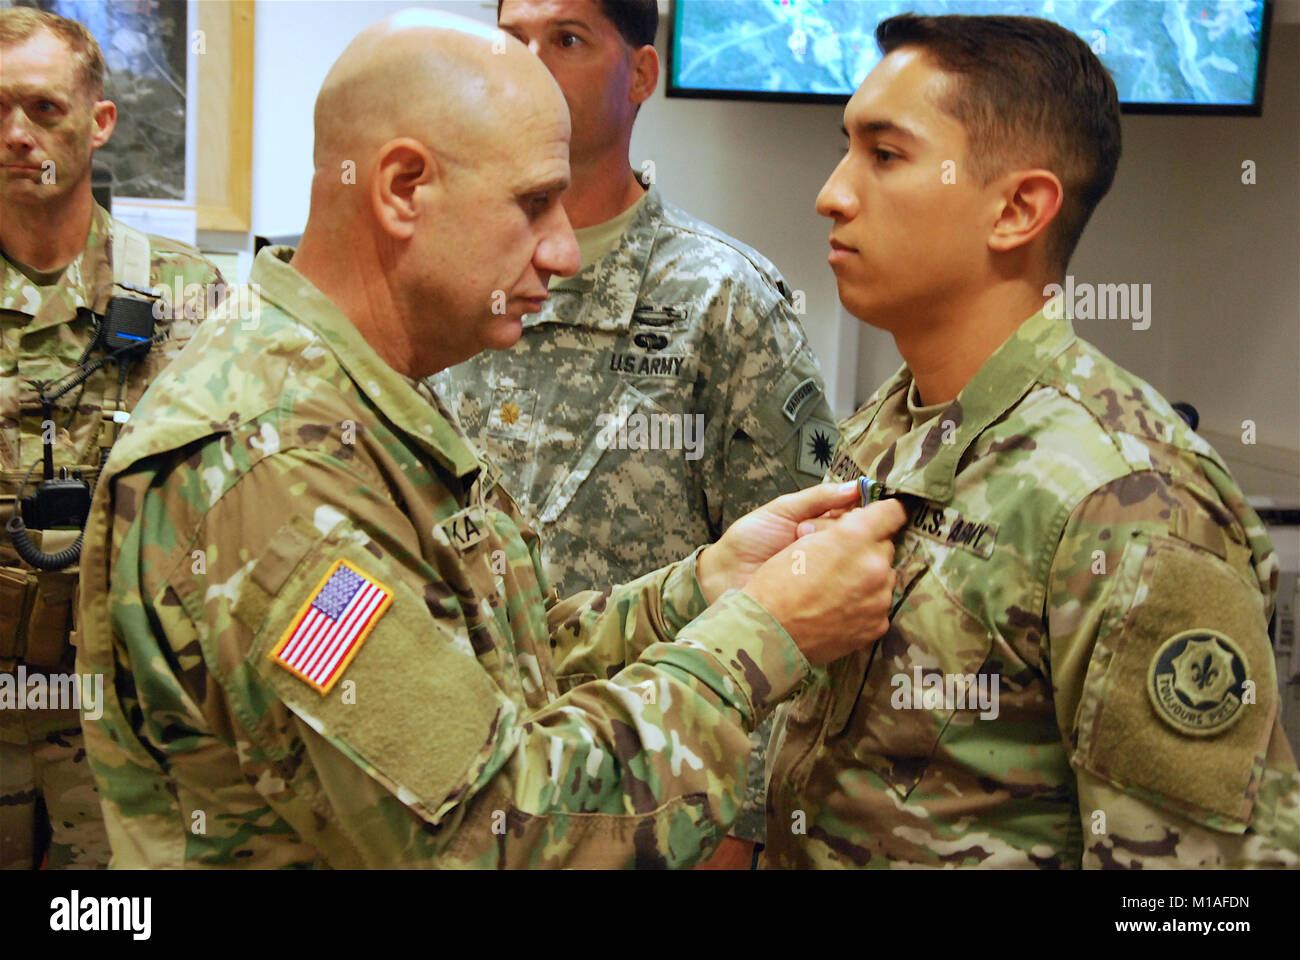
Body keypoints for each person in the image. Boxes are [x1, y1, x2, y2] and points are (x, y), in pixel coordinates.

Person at [75, 10, 904, 869]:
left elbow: (494, 670)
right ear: (402, 189)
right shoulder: (273, 464)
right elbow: (491, 829)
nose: (563, 252)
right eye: (534, 204)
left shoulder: (355, 391)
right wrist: (768, 636)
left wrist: (706, 589)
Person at [763, 13, 1300, 868]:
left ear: (1016, 209)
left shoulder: (1132, 497)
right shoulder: (888, 425)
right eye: (846, 147)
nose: (833, 192)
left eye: (885, 154)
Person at [433, 0, 837, 867]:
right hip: (465, 799)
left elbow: (794, 584)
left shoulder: (723, 298)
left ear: (643, 75)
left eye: (567, 40)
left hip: (657, 806)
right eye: (512, 41)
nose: (530, 66)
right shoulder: (443, 282)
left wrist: (741, 827)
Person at [0, 7, 222, 870]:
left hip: (123, 734)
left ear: (99, 122)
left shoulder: (189, 296)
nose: (17, 134)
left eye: (44, 109)